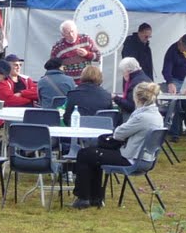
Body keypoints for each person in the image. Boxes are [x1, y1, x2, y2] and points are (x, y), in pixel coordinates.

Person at [70, 81, 165, 209]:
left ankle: (84, 197)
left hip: (132, 158)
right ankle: (94, 197)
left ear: (137, 97)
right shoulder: (156, 115)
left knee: (85, 154)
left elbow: (119, 134)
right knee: (94, 154)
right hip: (146, 158)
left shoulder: (142, 117)